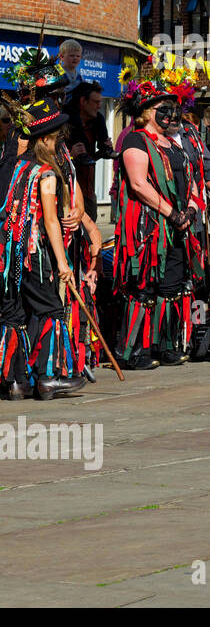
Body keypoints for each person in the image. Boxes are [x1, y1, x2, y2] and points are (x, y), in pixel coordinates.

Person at [113, 71, 205, 369]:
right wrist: (171, 213)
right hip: (149, 228)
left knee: (173, 286)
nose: (170, 113)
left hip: (178, 226)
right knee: (144, 287)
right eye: (162, 108)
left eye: (172, 108)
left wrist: (190, 210)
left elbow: (192, 180)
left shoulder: (174, 144)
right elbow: (139, 185)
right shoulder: (136, 142)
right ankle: (132, 351)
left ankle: (165, 346)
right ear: (145, 112)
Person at [0, 98, 86, 399]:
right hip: (33, 255)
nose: (59, 142)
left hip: (9, 255)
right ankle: (49, 377)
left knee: (14, 314)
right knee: (50, 308)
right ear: (46, 139)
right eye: (57, 137)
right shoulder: (46, 173)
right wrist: (63, 263)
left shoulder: (16, 166)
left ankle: (14, 382)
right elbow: (50, 220)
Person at [62, 82, 111, 217]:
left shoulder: (97, 122)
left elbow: (89, 160)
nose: (99, 106)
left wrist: (104, 151)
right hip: (67, 195)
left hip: (88, 194)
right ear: (83, 101)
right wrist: (70, 155)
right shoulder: (64, 125)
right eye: (95, 102)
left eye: (100, 102)